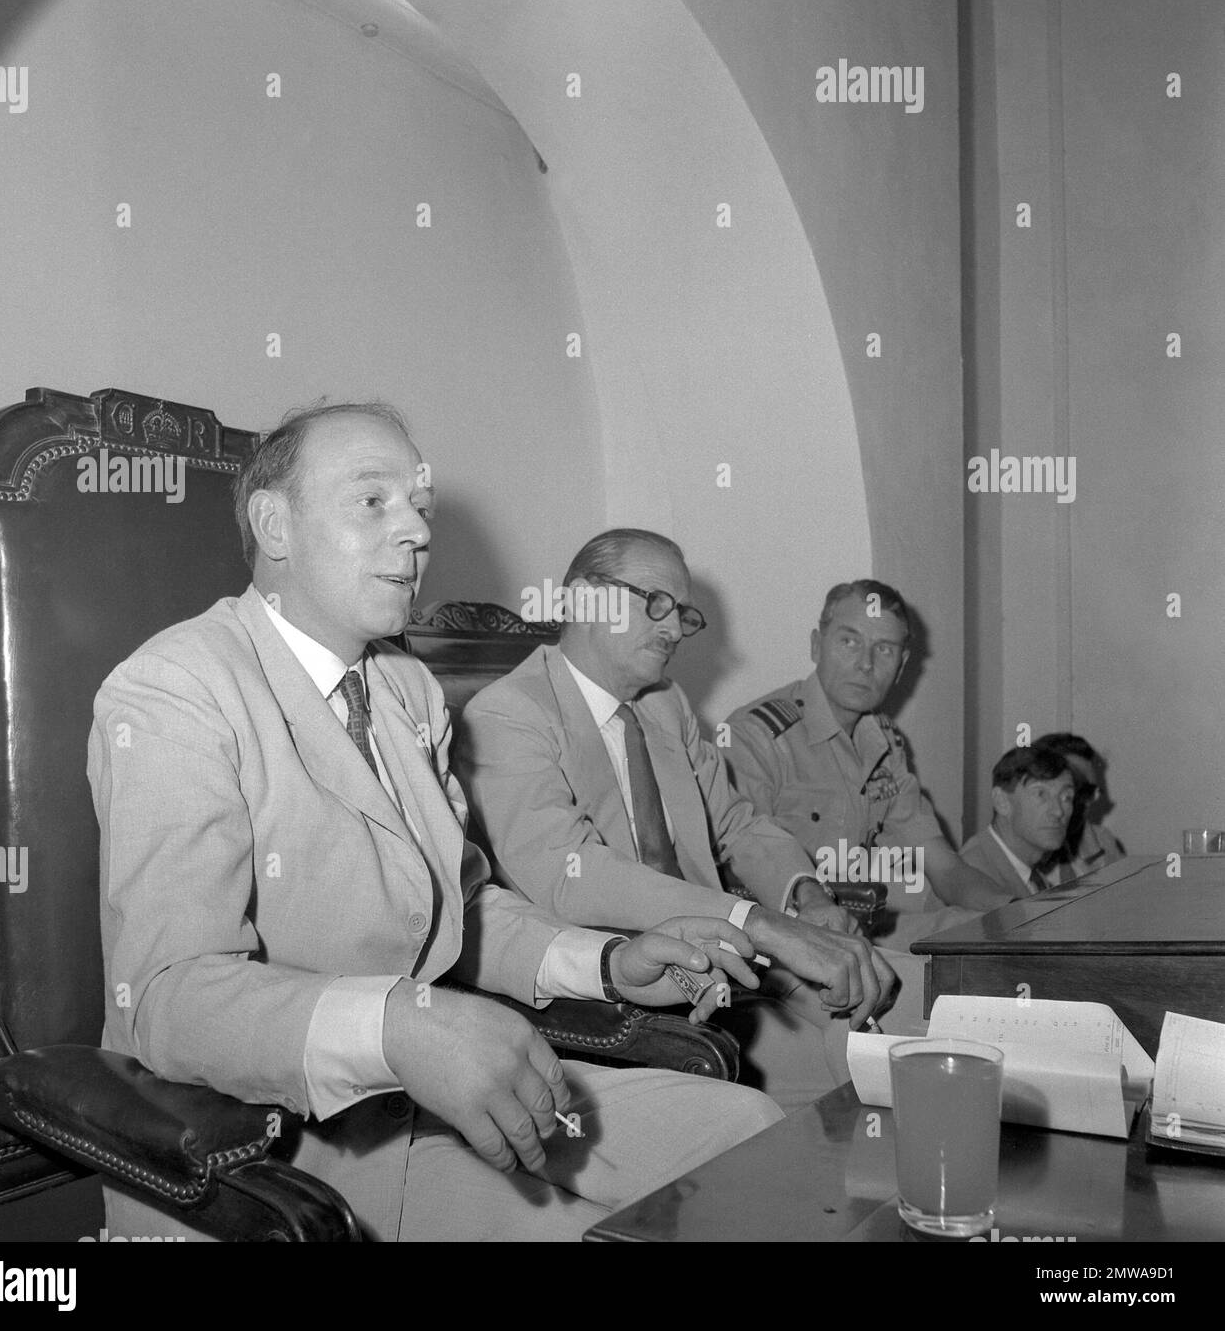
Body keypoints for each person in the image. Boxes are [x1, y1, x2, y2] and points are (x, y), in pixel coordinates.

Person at [87, 404, 784, 1243]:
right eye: (373, 501)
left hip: (423, 1115)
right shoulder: (174, 689)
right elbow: (169, 997)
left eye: (416, 504)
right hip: (265, 1159)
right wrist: (400, 1025)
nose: (416, 530)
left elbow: (464, 907)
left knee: (749, 1135)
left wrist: (603, 959)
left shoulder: (407, 692)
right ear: (276, 525)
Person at [455, 529, 900, 1111]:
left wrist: (808, 898)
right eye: (655, 603)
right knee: (865, 1087)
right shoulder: (508, 714)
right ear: (586, 597)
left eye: (682, 614)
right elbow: (572, 876)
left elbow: (737, 823)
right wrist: (762, 924)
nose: (672, 629)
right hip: (634, 1000)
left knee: (916, 1012)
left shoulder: (664, 703)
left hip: (737, 966)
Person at [723, 580, 1010, 938]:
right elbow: (740, 868)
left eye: (884, 649)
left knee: (982, 937)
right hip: (786, 941)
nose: (866, 664)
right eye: (849, 641)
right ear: (817, 645)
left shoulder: (884, 743)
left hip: (862, 927)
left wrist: (1016, 911)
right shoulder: (756, 736)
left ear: (902, 664)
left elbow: (943, 866)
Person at [959, 745, 1077, 900]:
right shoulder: (974, 879)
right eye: (1041, 794)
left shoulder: (1027, 873)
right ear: (1002, 802)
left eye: (1066, 797)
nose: (1058, 811)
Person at [1035, 732, 1124, 881]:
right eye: (1079, 789)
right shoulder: (1014, 853)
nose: (1089, 802)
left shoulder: (1103, 840)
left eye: (1090, 791)